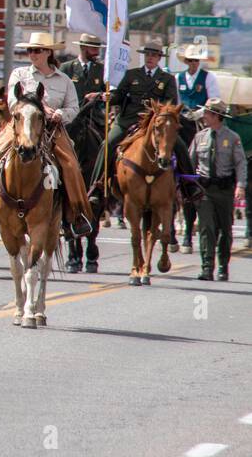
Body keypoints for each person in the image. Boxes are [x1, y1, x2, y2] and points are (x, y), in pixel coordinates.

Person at [0, 31, 94, 237]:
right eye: (30, 50)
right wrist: (39, 107)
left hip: (51, 130)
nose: (32, 54)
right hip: (20, 127)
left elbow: (73, 107)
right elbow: (13, 102)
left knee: (70, 165)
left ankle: (76, 214)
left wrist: (59, 114)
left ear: (48, 52)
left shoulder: (64, 80)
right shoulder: (19, 74)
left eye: (37, 50)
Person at [89, 38, 197, 204]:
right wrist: (108, 97)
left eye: (154, 55)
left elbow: (171, 103)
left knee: (180, 145)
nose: (150, 57)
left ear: (159, 58)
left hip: (156, 122)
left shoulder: (167, 79)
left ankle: (190, 185)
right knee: (107, 144)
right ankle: (97, 184)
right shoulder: (132, 74)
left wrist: (158, 113)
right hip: (129, 120)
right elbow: (119, 96)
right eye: (147, 54)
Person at [190, 98, 245, 281]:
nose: (204, 116)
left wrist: (241, 186)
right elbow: (191, 163)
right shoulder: (200, 137)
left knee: (225, 230)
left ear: (216, 116)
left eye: (207, 113)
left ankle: (223, 266)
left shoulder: (232, 138)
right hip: (205, 190)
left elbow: (240, 164)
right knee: (206, 228)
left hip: (224, 190)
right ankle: (207, 267)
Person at [60, 33, 107, 141]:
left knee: (106, 146)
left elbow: (109, 92)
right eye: (94, 49)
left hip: (94, 118)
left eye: (98, 49)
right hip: (71, 116)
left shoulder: (102, 69)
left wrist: (99, 95)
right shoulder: (67, 68)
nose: (97, 52)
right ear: (83, 48)